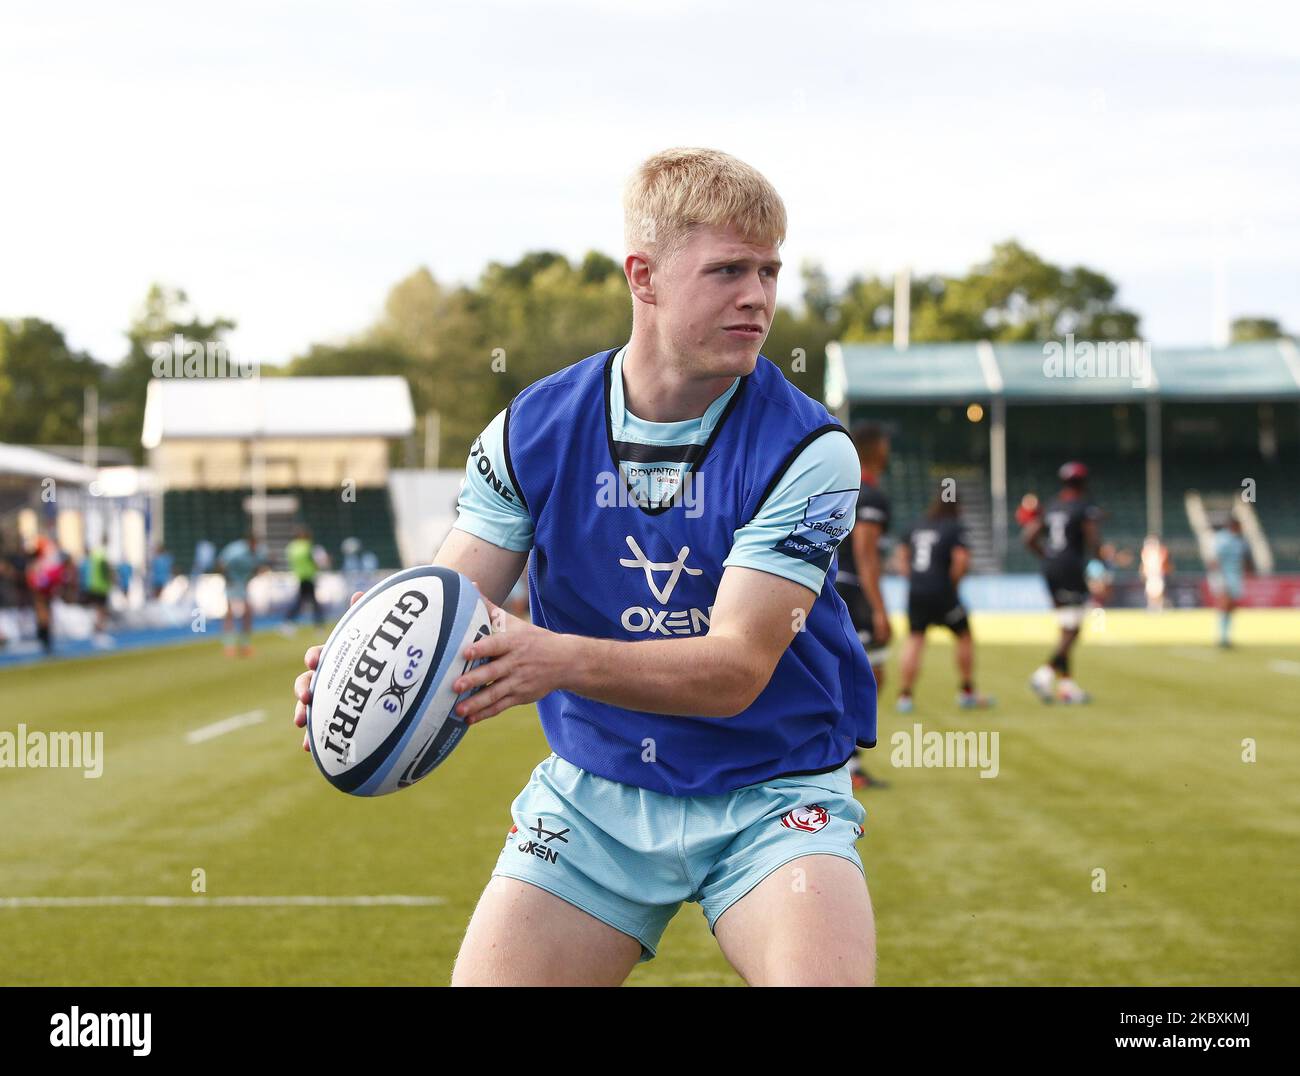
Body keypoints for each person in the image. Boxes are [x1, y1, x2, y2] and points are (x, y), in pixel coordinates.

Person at [293, 148, 878, 986]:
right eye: (727, 270)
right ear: (644, 276)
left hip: (774, 793)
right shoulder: (530, 431)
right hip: (596, 793)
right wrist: (364, 661)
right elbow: (452, 604)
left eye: (768, 271)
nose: (757, 296)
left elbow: (734, 670)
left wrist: (551, 657)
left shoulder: (810, 451)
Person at [832, 423, 892, 789]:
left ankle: (846, 758)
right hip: (852, 591)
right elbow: (865, 554)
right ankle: (848, 762)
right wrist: (880, 608)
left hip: (832, 587)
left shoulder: (841, 486)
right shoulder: (870, 495)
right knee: (869, 672)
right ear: (875, 448)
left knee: (850, 673)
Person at [894, 490, 993, 712]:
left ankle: (905, 696)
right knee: (964, 635)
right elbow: (961, 560)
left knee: (915, 639)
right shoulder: (955, 527)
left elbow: (900, 557)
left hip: (917, 591)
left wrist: (915, 580)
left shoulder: (916, 525)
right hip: (943, 591)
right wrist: (952, 586)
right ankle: (967, 692)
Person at [1022, 461, 1102, 704]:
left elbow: (1028, 537)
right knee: (1073, 629)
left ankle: (1066, 686)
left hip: (1051, 568)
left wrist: (1047, 556)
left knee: (1065, 625)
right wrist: (1103, 558)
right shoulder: (1083, 507)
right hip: (1070, 568)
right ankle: (1044, 674)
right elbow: (1093, 540)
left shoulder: (1052, 506)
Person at [217, 533, 267, 657]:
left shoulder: (259, 552)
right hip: (232, 581)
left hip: (243, 583)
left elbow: (259, 567)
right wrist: (228, 580)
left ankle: (245, 644)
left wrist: (251, 577)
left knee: (248, 612)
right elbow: (221, 564)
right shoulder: (236, 551)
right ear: (249, 543)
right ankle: (229, 645)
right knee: (229, 612)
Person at [1207, 515, 1251, 648]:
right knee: (1224, 605)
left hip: (1235, 576)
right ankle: (1222, 637)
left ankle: (1226, 636)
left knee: (1231, 607)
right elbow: (1214, 560)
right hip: (1224, 576)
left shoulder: (1240, 541)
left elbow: (1244, 559)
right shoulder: (1222, 539)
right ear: (1234, 526)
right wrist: (1220, 579)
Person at [283, 527, 325, 628]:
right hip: (308, 576)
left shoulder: (291, 547)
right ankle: (318, 624)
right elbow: (314, 560)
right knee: (310, 601)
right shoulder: (307, 546)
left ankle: (289, 621)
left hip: (300, 576)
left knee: (302, 601)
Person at [1140, 533, 1172, 611]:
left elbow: (1164, 563)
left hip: (1158, 574)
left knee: (1159, 591)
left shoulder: (1161, 552)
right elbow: (1144, 565)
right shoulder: (1146, 554)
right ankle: (1151, 606)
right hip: (1150, 575)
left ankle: (1160, 607)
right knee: (1150, 592)